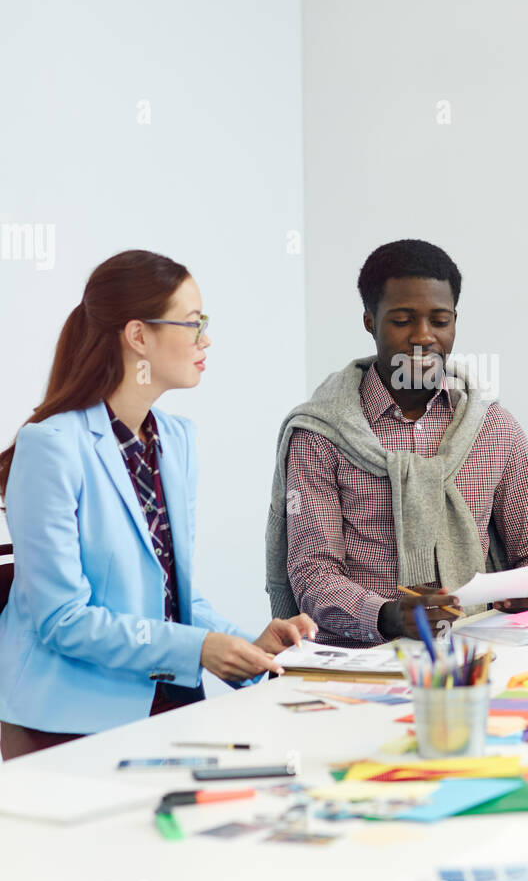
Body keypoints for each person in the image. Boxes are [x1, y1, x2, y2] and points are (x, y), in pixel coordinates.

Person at [0, 250, 316, 760]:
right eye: (193, 323)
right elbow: (62, 618)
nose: (205, 339)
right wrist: (200, 649)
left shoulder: (174, 438)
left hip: (168, 703)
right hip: (69, 723)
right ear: (138, 336)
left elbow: (171, 596)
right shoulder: (52, 446)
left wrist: (249, 646)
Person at [266, 238, 528, 645]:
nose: (423, 337)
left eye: (439, 321)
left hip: (476, 651)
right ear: (370, 321)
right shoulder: (320, 435)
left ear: (455, 321)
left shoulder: (494, 427)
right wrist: (390, 616)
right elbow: (312, 576)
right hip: (358, 662)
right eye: (403, 320)